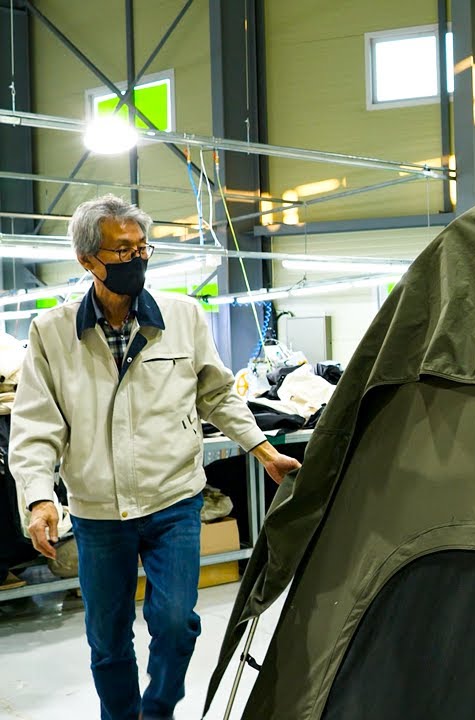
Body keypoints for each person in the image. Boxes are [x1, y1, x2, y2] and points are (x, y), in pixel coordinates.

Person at [10, 194, 302, 720]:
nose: (137, 258)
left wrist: (261, 449)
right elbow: (35, 425)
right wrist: (38, 499)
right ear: (87, 260)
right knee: (107, 638)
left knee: (174, 622)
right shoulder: (53, 332)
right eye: (122, 251)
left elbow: (216, 394)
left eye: (143, 247)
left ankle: (159, 712)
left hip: (174, 501)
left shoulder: (184, 317)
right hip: (99, 513)